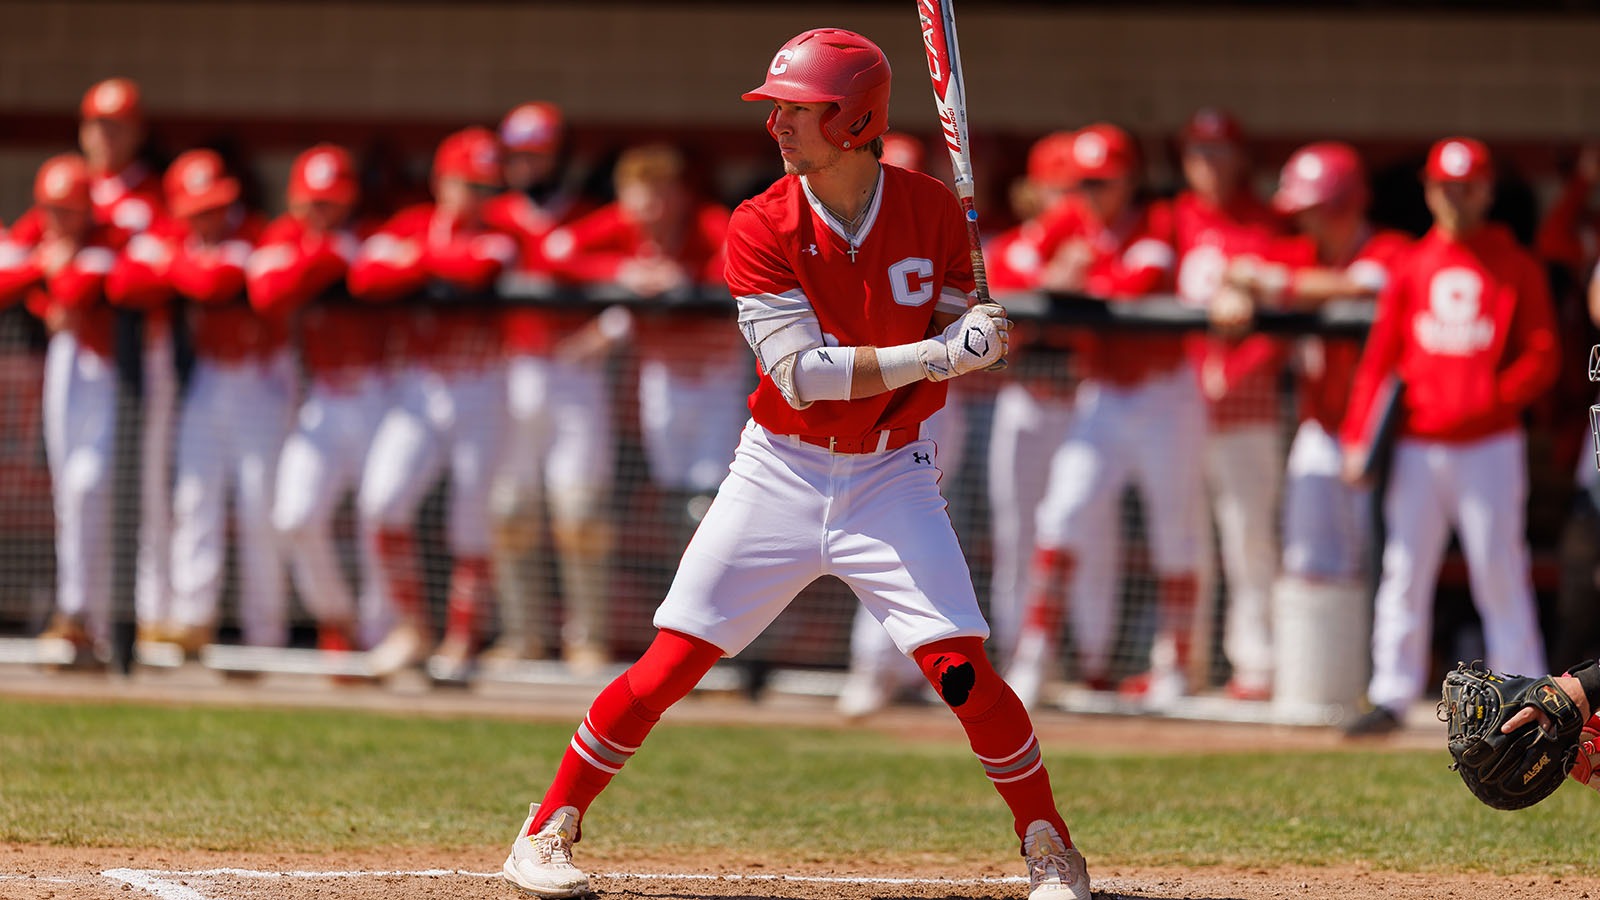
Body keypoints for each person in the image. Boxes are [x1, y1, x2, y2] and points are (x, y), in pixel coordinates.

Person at [501, 28, 1090, 900]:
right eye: (776, 107)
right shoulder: (759, 222)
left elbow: (967, 323)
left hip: (891, 474)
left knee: (961, 669)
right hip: (780, 467)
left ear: (852, 119)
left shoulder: (931, 207)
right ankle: (546, 830)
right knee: (671, 664)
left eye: (797, 109)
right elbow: (802, 376)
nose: (777, 123)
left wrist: (982, 337)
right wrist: (940, 355)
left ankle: (1050, 845)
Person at [1339, 137, 1560, 737]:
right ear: (1429, 191)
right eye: (1445, 187)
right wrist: (1359, 437)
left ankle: (1527, 692)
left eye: (1468, 187)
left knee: (1499, 566)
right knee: (1406, 567)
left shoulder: (1515, 264)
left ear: (1487, 191)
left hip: (1490, 445)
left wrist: (1492, 400)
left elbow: (1542, 355)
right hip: (1418, 444)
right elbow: (1380, 361)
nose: (1457, 200)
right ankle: (1390, 691)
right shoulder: (1411, 265)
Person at [1003, 124, 1205, 709]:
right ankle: (1035, 656)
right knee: (1060, 515)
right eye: (1083, 182)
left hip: (1167, 394)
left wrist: (1077, 276)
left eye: (1103, 181)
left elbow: (1137, 283)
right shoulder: (1067, 221)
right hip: (1105, 396)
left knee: (1174, 532)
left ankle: (1172, 667)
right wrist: (1051, 278)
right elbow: (1010, 274)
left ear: (1128, 180)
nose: (1092, 193)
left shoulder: (1157, 221)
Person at [1217, 142, 1413, 700]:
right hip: (1319, 429)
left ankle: (1381, 685)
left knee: (1383, 564)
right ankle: (1321, 682)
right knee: (1308, 561)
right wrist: (1236, 286)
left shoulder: (1390, 248)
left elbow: (1367, 284)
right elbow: (1240, 270)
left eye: (1314, 206)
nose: (1303, 218)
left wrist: (1267, 284)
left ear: (1345, 202)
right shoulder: (1302, 254)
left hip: (1381, 433)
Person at [349, 127, 518, 682]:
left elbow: (480, 267)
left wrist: (417, 260)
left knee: (469, 523)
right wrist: (432, 255)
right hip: (419, 383)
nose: (479, 196)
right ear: (442, 181)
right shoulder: (411, 223)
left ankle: (461, 642)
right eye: (468, 183)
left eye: (486, 185)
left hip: (482, 382)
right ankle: (411, 629)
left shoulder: (501, 228)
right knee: (381, 503)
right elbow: (365, 276)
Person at [110, 149, 289, 652]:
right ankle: (193, 619)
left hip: (262, 379)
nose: (210, 217)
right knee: (194, 499)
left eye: (216, 206)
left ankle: (265, 634)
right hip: (210, 379)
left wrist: (174, 266)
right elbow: (123, 281)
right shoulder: (173, 237)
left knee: (260, 507)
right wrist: (180, 260)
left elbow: (215, 282)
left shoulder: (255, 233)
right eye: (198, 209)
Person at [542, 143, 738, 568]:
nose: (650, 208)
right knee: (672, 487)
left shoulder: (708, 222)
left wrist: (685, 280)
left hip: (716, 376)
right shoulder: (621, 226)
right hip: (662, 373)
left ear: (680, 194)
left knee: (712, 489)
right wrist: (619, 272)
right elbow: (555, 251)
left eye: (660, 194)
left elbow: (739, 265)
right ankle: (684, 590)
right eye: (639, 196)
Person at [482, 101, 617, 671]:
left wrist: (607, 332)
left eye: (537, 155)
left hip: (574, 377)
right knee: (510, 511)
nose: (526, 166)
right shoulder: (493, 216)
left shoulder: (592, 215)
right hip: (509, 372)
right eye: (517, 156)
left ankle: (586, 637)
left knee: (579, 514)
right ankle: (521, 635)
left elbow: (638, 282)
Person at [247, 144, 387, 655]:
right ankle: (339, 620)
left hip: (380, 392)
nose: (320, 212)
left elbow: (381, 274)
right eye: (311, 202)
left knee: (379, 520)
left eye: (331, 202)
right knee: (294, 516)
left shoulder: (374, 235)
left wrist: (338, 256)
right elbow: (266, 291)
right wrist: (326, 256)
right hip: (324, 396)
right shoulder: (286, 237)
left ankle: (383, 635)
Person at [1171, 108, 1289, 700]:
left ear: (1240, 158)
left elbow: (1287, 316)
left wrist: (1238, 370)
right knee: (1183, 538)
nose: (1209, 164)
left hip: (1248, 408)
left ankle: (1257, 662)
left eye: (1219, 152)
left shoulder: (1265, 222)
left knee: (1249, 539)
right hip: (1182, 409)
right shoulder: (1173, 219)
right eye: (1198, 152)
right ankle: (1180, 662)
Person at [0, 155, 127, 666]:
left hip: (111, 370)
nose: (58, 218)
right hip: (65, 364)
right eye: (52, 208)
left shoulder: (106, 240)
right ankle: (76, 620)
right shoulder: (40, 236)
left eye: (69, 210)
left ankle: (97, 619)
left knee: (94, 487)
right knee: (68, 492)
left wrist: (54, 270)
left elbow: (75, 289)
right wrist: (40, 274)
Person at [78, 77, 179, 653]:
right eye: (97, 123)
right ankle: (82, 615)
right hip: (86, 355)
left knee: (148, 484)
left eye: (116, 125)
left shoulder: (153, 195)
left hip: (146, 356)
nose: (105, 136)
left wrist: (85, 271)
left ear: (137, 131)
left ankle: (152, 617)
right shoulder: (68, 187)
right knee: (82, 487)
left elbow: (150, 272)